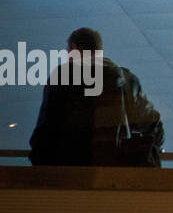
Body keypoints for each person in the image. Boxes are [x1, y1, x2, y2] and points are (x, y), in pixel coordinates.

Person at [29, 27, 165, 167]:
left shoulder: (64, 76)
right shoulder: (128, 80)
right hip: (114, 170)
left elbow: (48, 124)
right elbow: (152, 122)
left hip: (69, 167)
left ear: (74, 48)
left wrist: (39, 161)